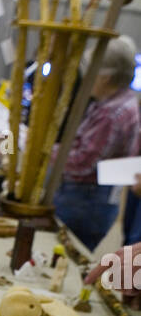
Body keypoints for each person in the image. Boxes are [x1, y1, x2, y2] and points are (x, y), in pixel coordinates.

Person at [53, 35, 140, 252]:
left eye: (92, 70)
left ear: (105, 77)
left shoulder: (113, 113)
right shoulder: (115, 104)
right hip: (91, 200)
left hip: (84, 201)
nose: (87, 76)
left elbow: (82, 163)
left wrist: (43, 153)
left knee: (64, 255)